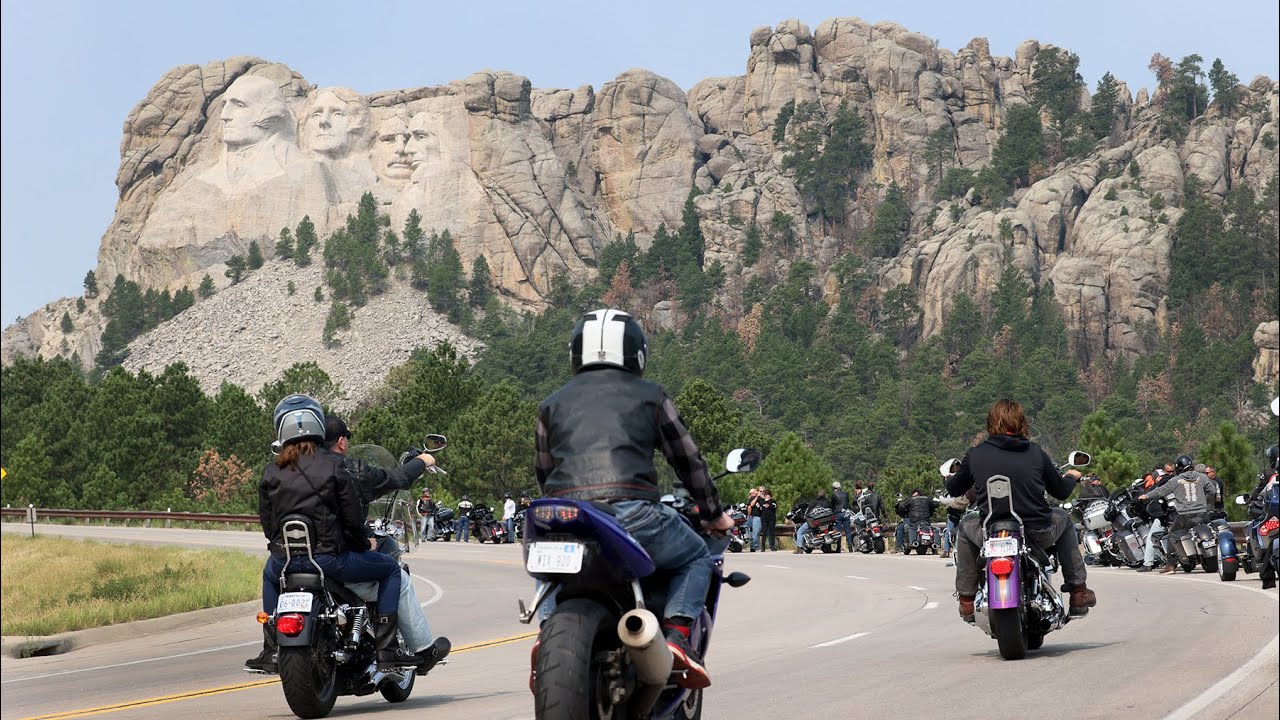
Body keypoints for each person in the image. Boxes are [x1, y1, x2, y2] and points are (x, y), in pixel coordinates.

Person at [534, 308, 733, 690]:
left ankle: (547, 634)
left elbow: (545, 472)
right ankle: (675, 637)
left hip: (569, 515)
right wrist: (713, 513)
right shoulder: (651, 396)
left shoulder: (551, 404)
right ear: (636, 353)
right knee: (697, 557)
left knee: (550, 564)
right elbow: (687, 461)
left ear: (576, 352)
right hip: (631, 513)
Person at [247, 395, 411, 674]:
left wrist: (282, 550)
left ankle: (270, 649)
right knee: (391, 571)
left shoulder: (271, 470)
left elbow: (269, 525)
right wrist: (365, 543)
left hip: (285, 561)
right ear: (318, 425)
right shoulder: (334, 465)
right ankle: (387, 650)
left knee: (269, 575)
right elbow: (350, 517)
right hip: (329, 560)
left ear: (281, 429)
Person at [945, 399, 1096, 621]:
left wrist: (952, 478)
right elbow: (1061, 492)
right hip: (1037, 533)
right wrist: (1072, 476)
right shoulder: (1036, 453)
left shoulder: (975, 455)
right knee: (1063, 517)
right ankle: (1078, 592)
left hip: (989, 533)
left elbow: (954, 488)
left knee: (967, 525)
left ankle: (967, 600)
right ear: (1021, 423)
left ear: (990, 423)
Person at [321, 416, 450, 672]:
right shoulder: (349, 470)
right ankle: (412, 650)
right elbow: (397, 478)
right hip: (339, 558)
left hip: (298, 559)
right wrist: (422, 461)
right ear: (342, 442)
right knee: (394, 575)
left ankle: (270, 649)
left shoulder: (293, 470)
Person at [1139, 454, 1219, 574]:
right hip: (1202, 513)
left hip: (1184, 515)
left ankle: (1171, 565)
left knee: (1172, 535)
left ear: (1179, 468)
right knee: (1212, 529)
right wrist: (1202, 501)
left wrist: (1146, 495)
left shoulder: (1175, 480)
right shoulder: (1202, 477)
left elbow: (1160, 491)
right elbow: (1212, 491)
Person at [895, 489, 940, 554]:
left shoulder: (911, 499)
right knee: (931, 528)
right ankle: (934, 548)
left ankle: (898, 546)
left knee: (901, 527)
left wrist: (899, 502)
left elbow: (901, 506)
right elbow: (936, 505)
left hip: (914, 520)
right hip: (926, 520)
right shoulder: (927, 499)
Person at [832, 481, 853, 551]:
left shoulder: (834, 495)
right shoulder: (846, 494)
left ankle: (838, 548)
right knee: (848, 531)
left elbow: (832, 505)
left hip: (838, 514)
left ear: (834, 488)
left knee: (839, 532)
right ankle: (850, 547)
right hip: (846, 513)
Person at [746, 487, 763, 552]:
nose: (751, 494)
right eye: (750, 493)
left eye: (753, 493)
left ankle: (754, 546)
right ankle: (753, 543)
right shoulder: (752, 498)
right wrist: (749, 515)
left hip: (758, 516)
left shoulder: (761, 498)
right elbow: (751, 505)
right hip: (752, 516)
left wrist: (759, 495)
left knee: (755, 532)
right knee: (746, 527)